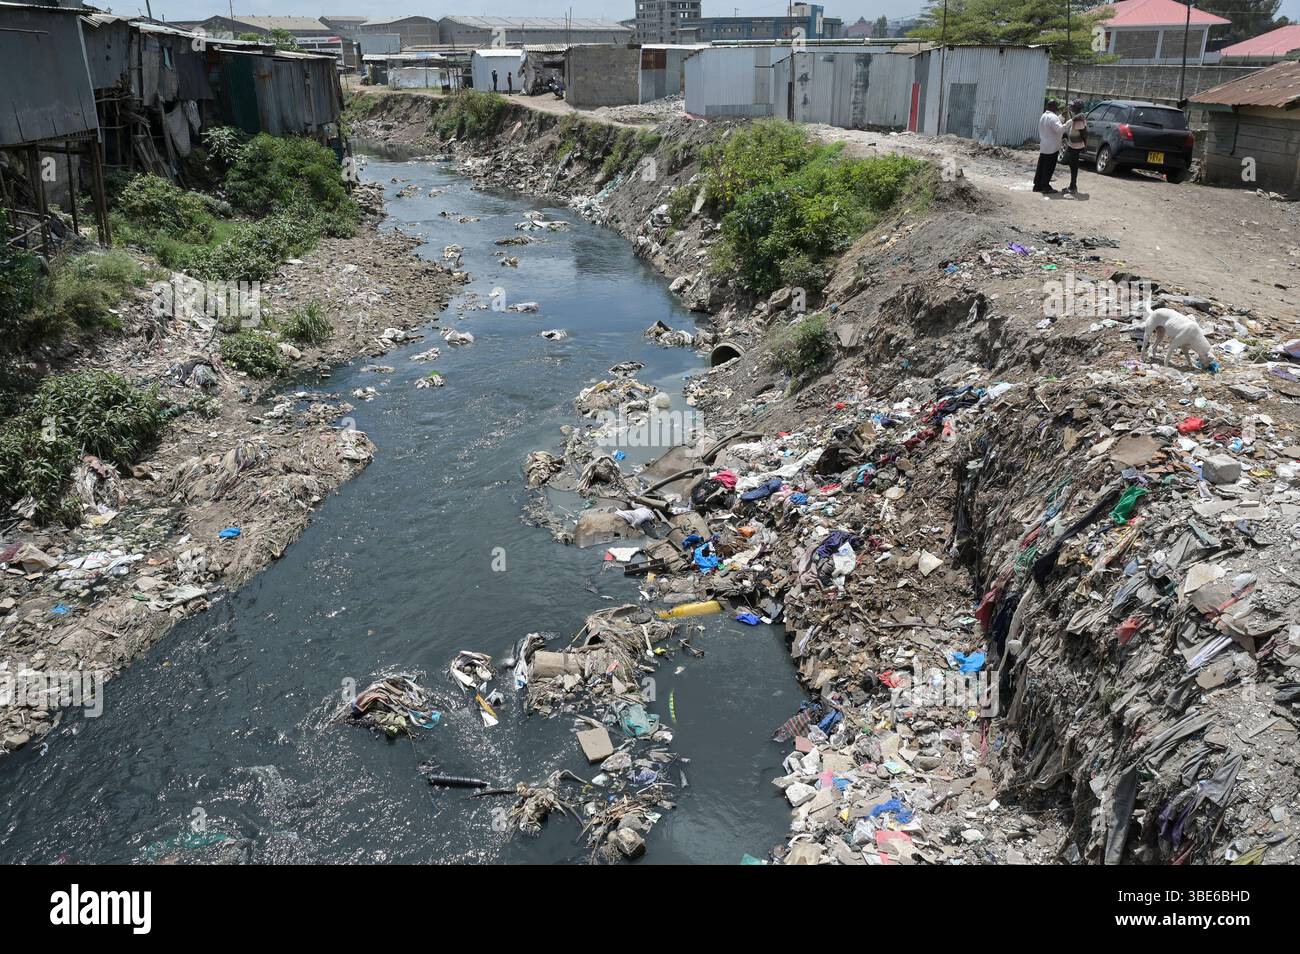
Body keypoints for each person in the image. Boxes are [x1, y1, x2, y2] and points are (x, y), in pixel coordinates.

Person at [1034, 99, 1068, 194]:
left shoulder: (1044, 116)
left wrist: (1061, 117)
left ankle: (1037, 185)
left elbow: (1052, 124)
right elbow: (1059, 129)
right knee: (1048, 167)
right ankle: (1046, 187)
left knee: (1041, 166)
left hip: (1044, 145)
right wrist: (1068, 123)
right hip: (1052, 147)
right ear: (1053, 107)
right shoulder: (1053, 117)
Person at [1063, 99, 1087, 193]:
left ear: (1077, 107)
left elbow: (1084, 133)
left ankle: (1073, 186)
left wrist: (1085, 145)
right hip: (1073, 144)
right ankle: (1072, 185)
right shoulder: (1077, 116)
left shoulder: (1079, 118)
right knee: (1071, 163)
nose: (1071, 107)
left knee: (1073, 165)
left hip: (1076, 145)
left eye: (1073, 106)